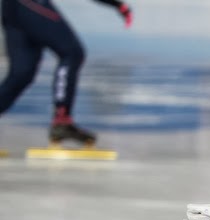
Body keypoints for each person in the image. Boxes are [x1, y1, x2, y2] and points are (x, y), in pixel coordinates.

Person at [0, 0, 133, 146]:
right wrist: (117, 5)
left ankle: (62, 121)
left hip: (11, 7)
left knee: (21, 74)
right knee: (71, 53)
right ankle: (62, 121)